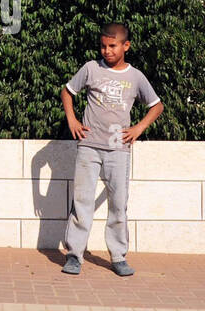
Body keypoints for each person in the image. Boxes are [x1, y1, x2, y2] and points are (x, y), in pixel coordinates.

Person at [59, 23, 163, 277]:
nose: (107, 51)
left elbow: (157, 106)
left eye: (112, 46)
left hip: (119, 149)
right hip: (89, 146)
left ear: (125, 46)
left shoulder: (135, 76)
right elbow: (67, 92)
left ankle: (118, 257)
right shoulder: (91, 69)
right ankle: (74, 255)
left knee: (118, 203)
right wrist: (72, 120)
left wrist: (138, 128)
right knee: (82, 201)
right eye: (103, 46)